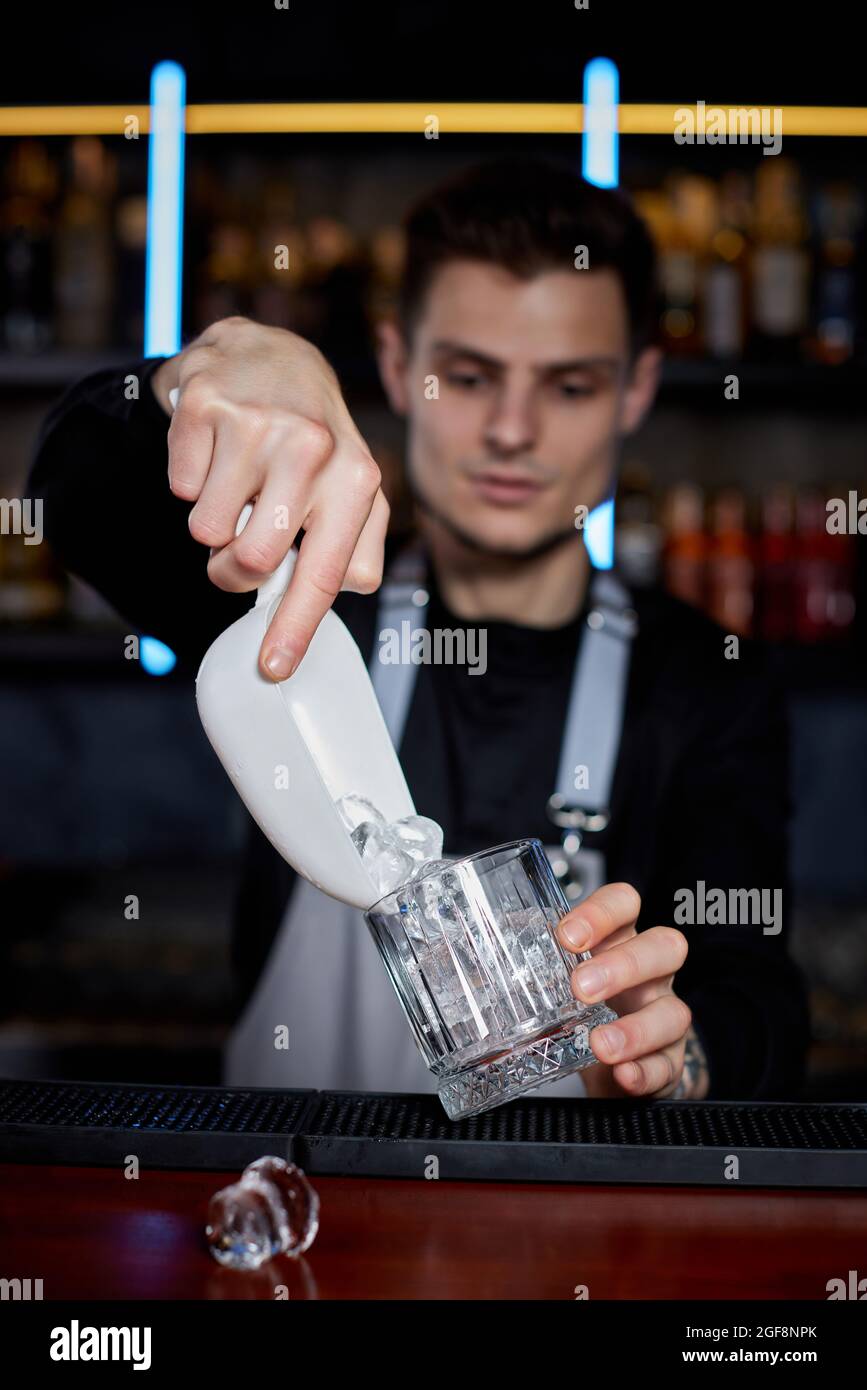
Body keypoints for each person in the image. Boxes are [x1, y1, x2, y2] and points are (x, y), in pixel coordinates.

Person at [29, 158, 810, 1103]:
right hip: (301, 1211)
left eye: (568, 385)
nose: (512, 429)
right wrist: (212, 367)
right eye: (470, 377)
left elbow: (759, 999)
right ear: (398, 367)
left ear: (636, 390)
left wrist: (677, 1058)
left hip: (578, 1237)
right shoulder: (293, 605)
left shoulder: (705, 682)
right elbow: (70, 494)